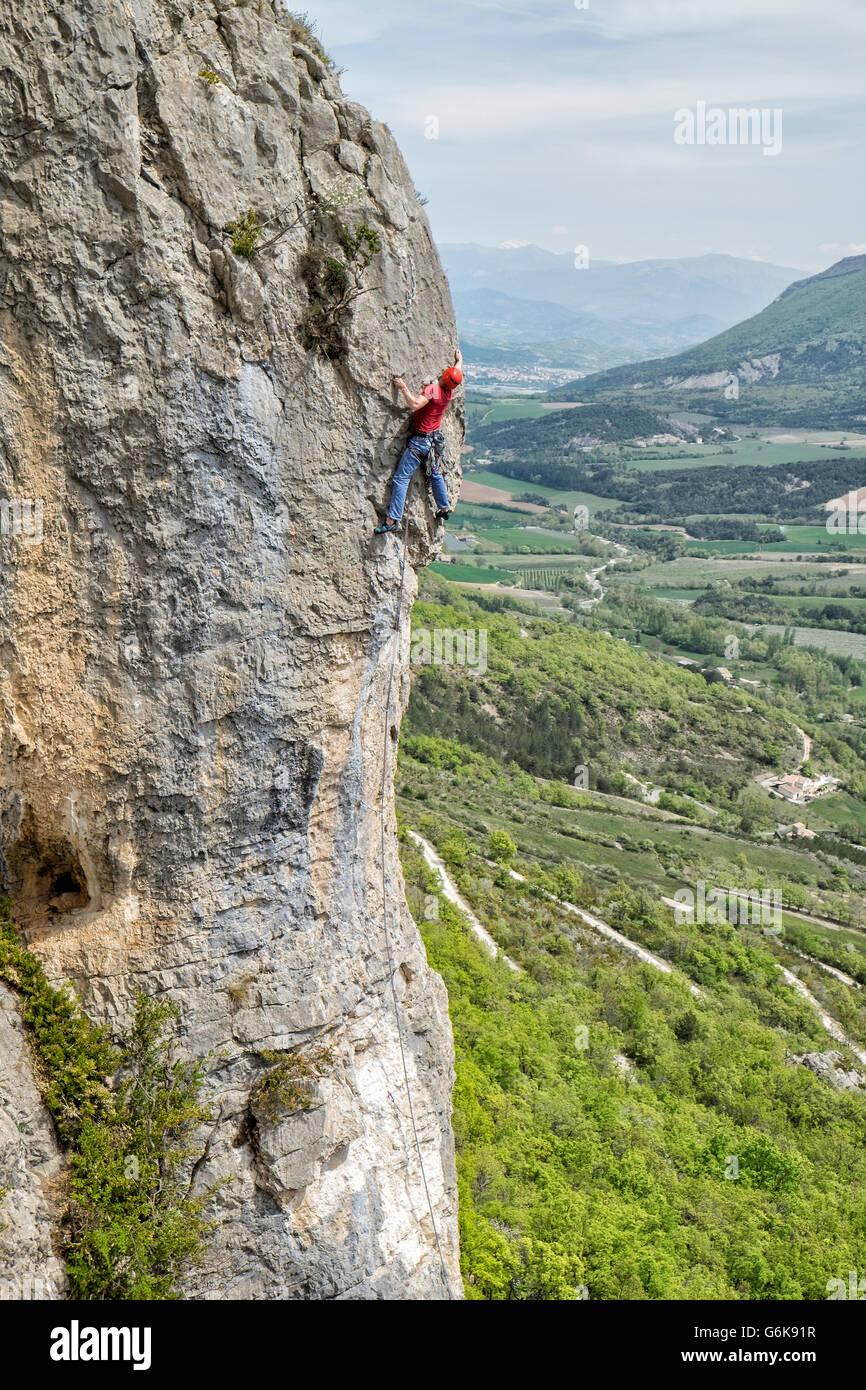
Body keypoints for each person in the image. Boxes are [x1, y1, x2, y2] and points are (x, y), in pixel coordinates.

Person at [374, 349, 463, 535]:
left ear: (443, 374)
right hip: (434, 442)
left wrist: (403, 387)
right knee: (435, 473)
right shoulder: (448, 392)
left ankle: (392, 520)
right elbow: (455, 373)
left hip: (420, 442)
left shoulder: (433, 390)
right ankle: (444, 508)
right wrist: (459, 360)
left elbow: (414, 404)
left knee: (401, 478)